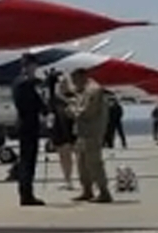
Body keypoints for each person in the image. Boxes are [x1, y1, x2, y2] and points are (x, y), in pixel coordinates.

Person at [66, 69, 113, 202]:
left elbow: (88, 112)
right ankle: (87, 190)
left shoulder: (93, 91)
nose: (73, 84)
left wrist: (72, 111)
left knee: (94, 162)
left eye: (74, 80)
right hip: (83, 132)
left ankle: (104, 191)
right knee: (82, 163)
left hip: (91, 132)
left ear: (81, 77)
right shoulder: (84, 91)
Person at [10, 56, 47, 206]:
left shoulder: (24, 83)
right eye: (33, 66)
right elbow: (30, 101)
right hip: (27, 125)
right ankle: (26, 195)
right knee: (27, 161)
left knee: (30, 160)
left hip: (29, 125)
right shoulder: (22, 83)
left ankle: (27, 193)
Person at [44, 69, 77, 189]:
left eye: (64, 82)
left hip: (71, 128)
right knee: (63, 155)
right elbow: (49, 115)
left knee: (76, 155)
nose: (62, 85)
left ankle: (85, 180)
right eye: (60, 83)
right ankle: (67, 179)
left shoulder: (73, 97)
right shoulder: (53, 100)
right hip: (59, 128)